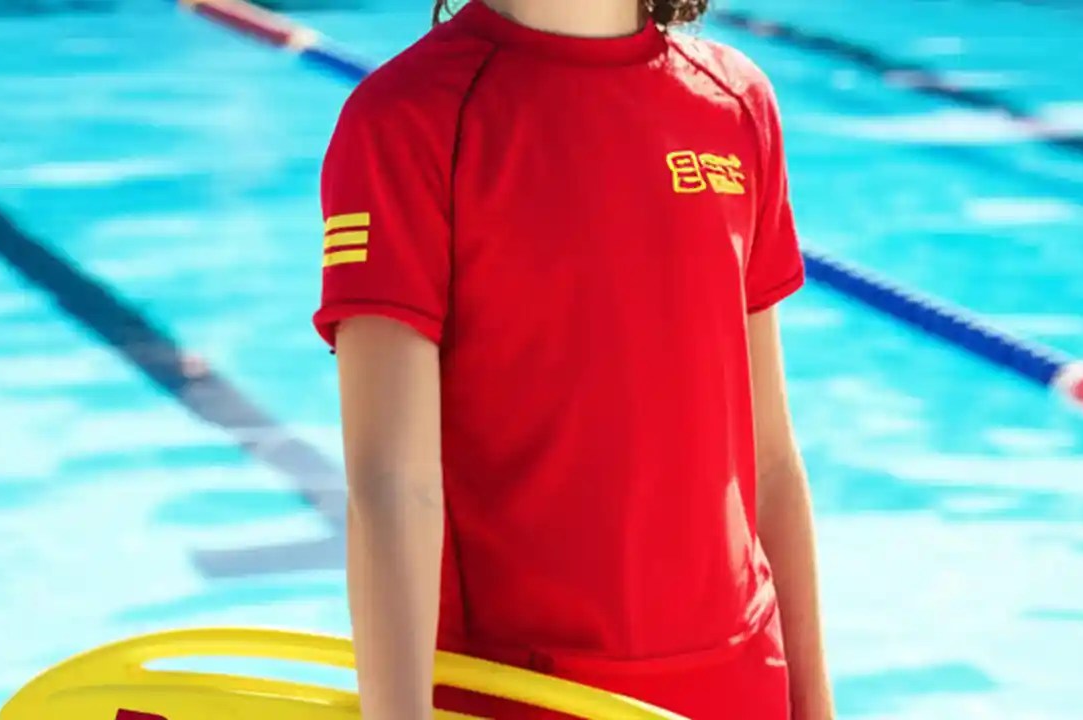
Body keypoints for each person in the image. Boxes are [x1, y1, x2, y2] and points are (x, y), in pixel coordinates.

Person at [313, 0, 834, 717]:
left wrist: (814, 704)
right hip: (519, 693)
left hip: (738, 686)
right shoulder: (410, 117)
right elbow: (392, 484)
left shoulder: (735, 102)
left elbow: (768, 460)